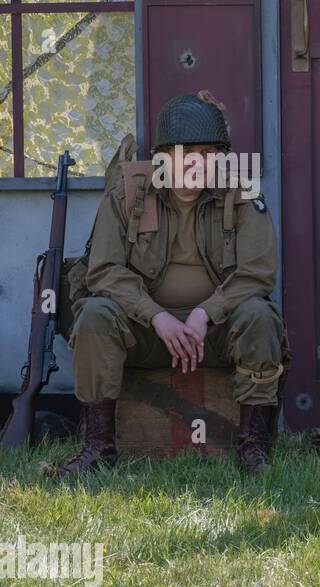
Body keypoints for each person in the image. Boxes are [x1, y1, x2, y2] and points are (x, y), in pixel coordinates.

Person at [47, 92, 286, 478]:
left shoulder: (241, 192)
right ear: (163, 157)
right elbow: (104, 271)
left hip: (214, 333)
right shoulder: (128, 194)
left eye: (210, 152)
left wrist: (204, 315)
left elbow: (258, 273)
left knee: (260, 315)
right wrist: (157, 316)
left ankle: (253, 449)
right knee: (93, 315)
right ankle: (99, 448)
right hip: (145, 333)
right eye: (187, 151)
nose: (199, 162)